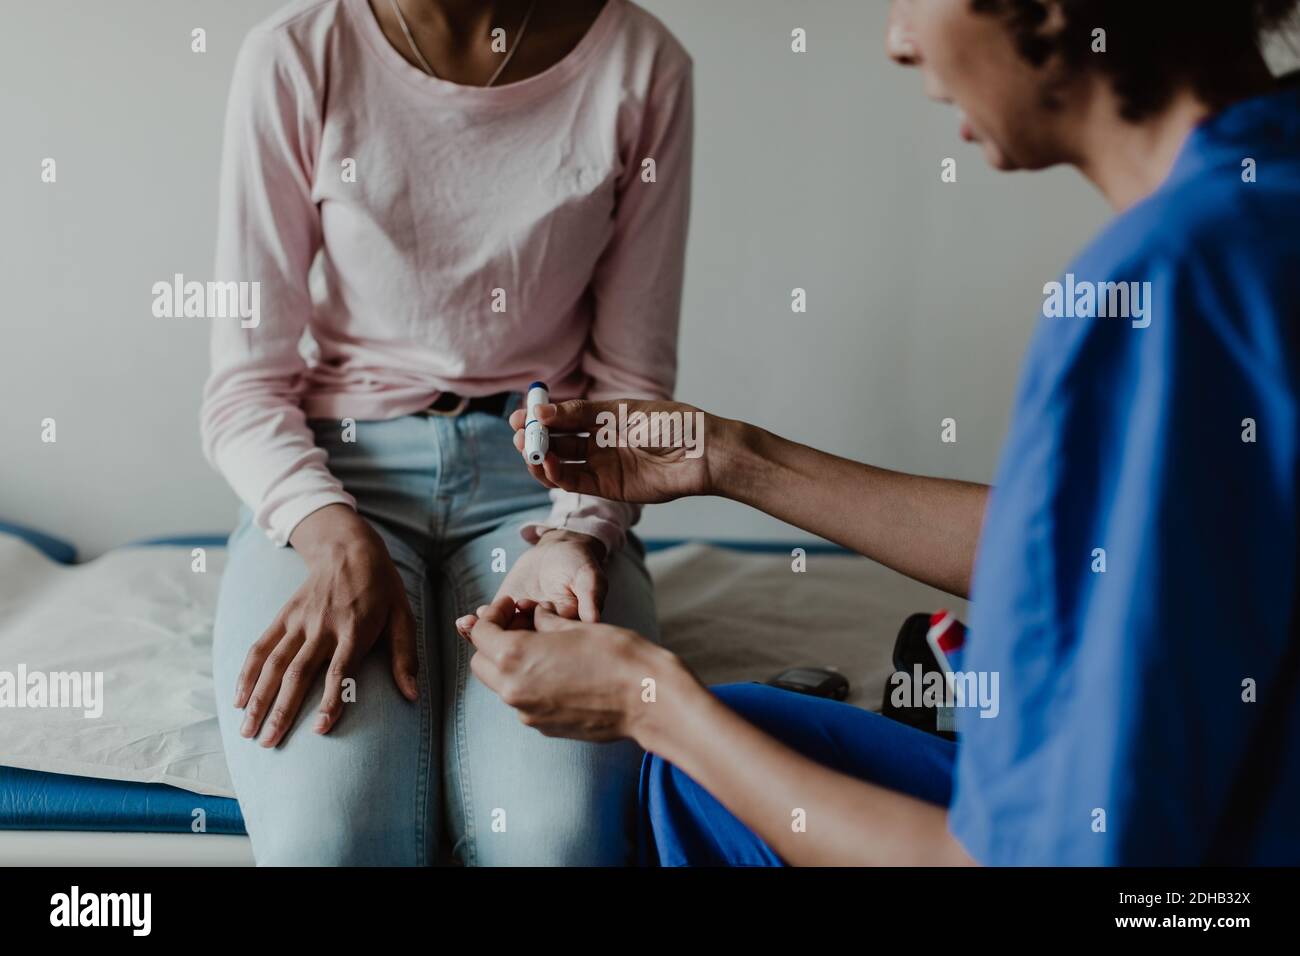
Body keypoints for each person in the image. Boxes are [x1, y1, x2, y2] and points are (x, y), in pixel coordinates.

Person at [462, 0, 1300, 865]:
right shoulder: (1267, 183)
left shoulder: (1167, 286)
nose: (898, 41)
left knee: (698, 759)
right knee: (735, 742)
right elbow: (1103, 552)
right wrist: (731, 458)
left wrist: (649, 701)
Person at [201, 0, 692, 865]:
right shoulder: (294, 55)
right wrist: (328, 532)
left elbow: (630, 385)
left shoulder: (641, 64)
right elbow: (244, 385)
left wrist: (582, 532)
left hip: (549, 482)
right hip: (340, 477)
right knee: (332, 838)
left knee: (558, 837)